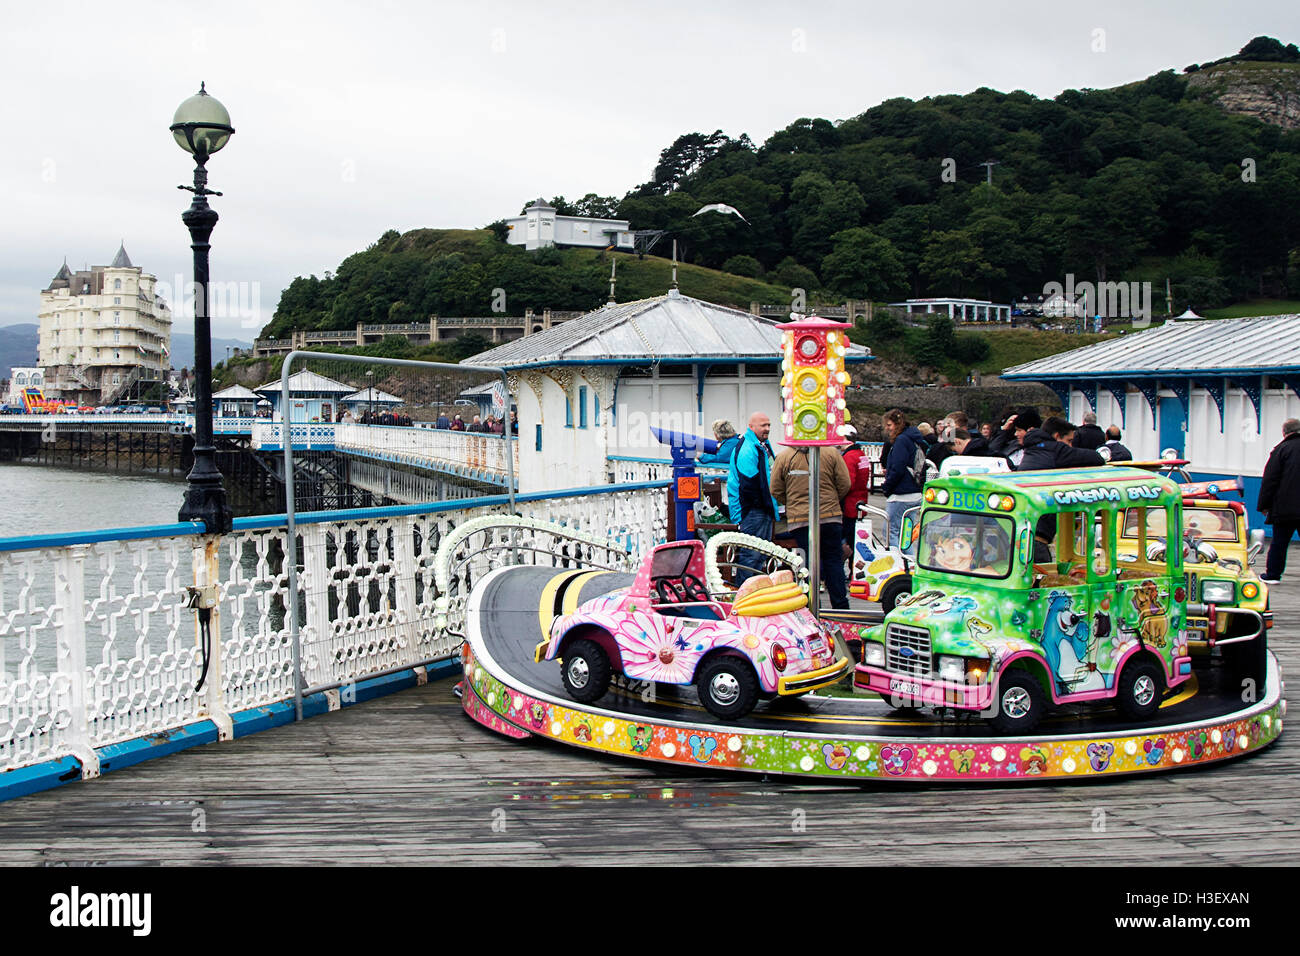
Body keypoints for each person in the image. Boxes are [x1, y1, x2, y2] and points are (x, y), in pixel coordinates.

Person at [771, 443, 852, 609]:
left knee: (807, 563)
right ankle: (841, 607)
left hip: (800, 519)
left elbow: (775, 488)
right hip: (830, 516)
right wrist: (832, 500)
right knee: (833, 561)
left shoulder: (784, 456)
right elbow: (845, 482)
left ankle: (811, 605)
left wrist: (792, 504)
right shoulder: (832, 453)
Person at [727, 412, 779, 583]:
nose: (767, 429)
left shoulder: (760, 445)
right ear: (751, 427)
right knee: (751, 554)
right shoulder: (748, 448)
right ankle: (744, 594)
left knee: (760, 554)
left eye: (769, 425)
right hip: (751, 510)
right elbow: (749, 484)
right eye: (763, 425)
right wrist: (765, 505)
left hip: (761, 508)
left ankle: (753, 592)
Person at [1258, 418, 1300, 583]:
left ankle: (1273, 574)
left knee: (1279, 543)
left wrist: (1264, 505)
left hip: (1285, 508)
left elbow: (1270, 480)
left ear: (1285, 433)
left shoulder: (1281, 450)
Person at [880, 409, 925, 554]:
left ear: (897, 424)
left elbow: (897, 468)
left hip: (901, 494)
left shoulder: (901, 441)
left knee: (890, 532)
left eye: (889, 425)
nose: (887, 428)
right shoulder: (912, 439)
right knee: (906, 535)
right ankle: (910, 564)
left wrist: (887, 487)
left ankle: (899, 564)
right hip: (914, 492)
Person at [840, 425, 872, 559]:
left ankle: (851, 569)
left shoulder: (849, 457)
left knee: (849, 540)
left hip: (849, 506)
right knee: (857, 540)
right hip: (860, 503)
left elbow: (848, 483)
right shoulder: (861, 455)